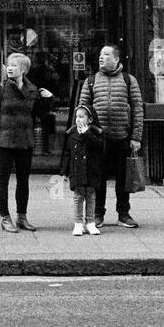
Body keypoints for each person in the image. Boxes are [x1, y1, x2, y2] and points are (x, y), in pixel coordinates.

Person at [0, 51, 53, 232]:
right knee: (2, 180)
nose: (10, 68)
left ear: (24, 70)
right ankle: (5, 217)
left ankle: (22, 216)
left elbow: (41, 115)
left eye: (14, 65)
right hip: (4, 141)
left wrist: (48, 99)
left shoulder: (32, 90)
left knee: (23, 180)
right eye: (9, 65)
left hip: (25, 141)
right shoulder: (0, 88)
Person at [79, 42, 144, 229]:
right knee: (97, 178)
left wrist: (136, 137)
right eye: (101, 54)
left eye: (106, 54)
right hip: (97, 139)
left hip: (122, 136)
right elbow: (82, 109)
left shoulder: (129, 80)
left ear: (116, 59)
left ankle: (123, 214)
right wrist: (84, 133)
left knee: (123, 179)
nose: (101, 57)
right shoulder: (91, 81)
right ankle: (97, 213)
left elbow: (138, 109)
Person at [62, 105, 104, 236]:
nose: (78, 120)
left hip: (91, 170)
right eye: (77, 117)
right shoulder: (71, 134)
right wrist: (65, 171)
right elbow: (67, 153)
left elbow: (99, 146)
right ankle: (78, 223)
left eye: (81, 117)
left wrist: (87, 133)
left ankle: (90, 222)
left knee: (91, 196)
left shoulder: (96, 133)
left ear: (90, 119)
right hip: (77, 170)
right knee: (78, 196)